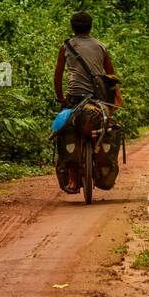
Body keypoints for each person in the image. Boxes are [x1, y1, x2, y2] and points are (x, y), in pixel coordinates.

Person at [53, 11, 122, 193]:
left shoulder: (66, 46)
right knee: (105, 127)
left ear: (72, 28)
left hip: (75, 97)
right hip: (98, 99)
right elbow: (111, 76)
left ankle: (74, 180)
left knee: (68, 130)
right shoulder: (100, 46)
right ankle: (102, 169)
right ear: (90, 27)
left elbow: (58, 74)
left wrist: (60, 97)